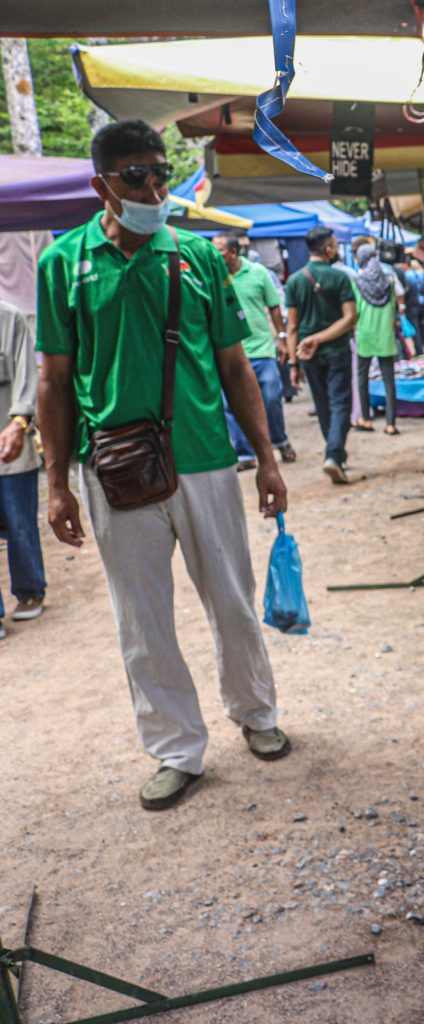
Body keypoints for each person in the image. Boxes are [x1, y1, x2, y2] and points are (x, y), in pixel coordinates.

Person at [36, 120, 292, 811]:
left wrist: (266, 460)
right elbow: (55, 382)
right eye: (136, 177)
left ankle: (256, 715)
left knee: (232, 602)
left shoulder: (201, 258)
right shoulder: (62, 262)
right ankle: (176, 749)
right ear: (101, 187)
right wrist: (56, 485)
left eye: (159, 173)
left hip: (207, 458)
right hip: (116, 467)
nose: (153, 187)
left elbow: (237, 366)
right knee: (142, 621)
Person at [212, 232, 296, 469]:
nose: (214, 255)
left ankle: (280, 440)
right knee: (230, 404)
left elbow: (274, 307)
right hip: (229, 353)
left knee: (270, 397)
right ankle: (245, 454)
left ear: (234, 252)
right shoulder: (213, 277)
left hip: (261, 348)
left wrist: (281, 338)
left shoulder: (258, 274)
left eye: (219, 251)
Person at [285, 226, 357, 484]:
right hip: (336, 350)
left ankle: (335, 453)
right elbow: (350, 318)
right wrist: (321, 338)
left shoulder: (294, 281)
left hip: (307, 355)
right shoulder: (339, 279)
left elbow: (291, 327)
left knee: (324, 406)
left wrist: (293, 362)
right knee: (340, 405)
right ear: (329, 249)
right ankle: (334, 456)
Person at [0, 299, 46, 637]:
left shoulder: (10, 318)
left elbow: (27, 378)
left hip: (10, 443)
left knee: (19, 524)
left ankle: (29, 591)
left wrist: (19, 422)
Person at [351, 242, 401, 435]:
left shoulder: (358, 282)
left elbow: (355, 311)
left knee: (362, 379)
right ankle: (390, 424)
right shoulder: (388, 281)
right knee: (389, 381)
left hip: (365, 335)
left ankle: (366, 419)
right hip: (385, 335)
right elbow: (395, 309)